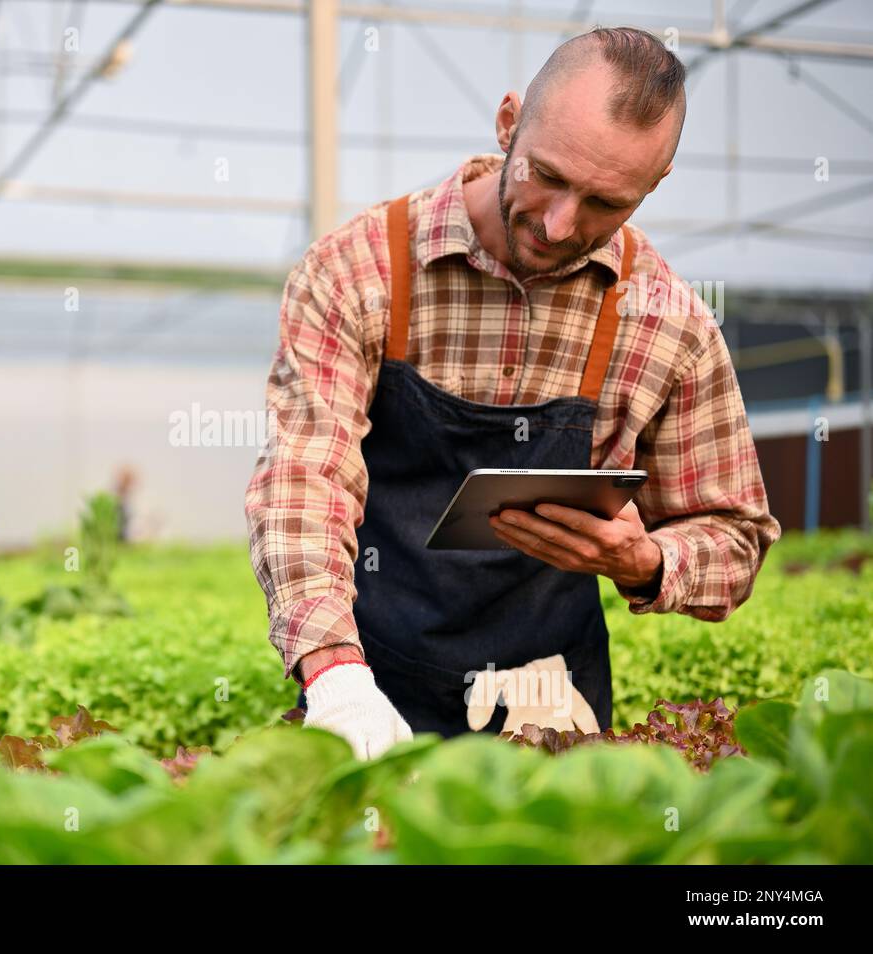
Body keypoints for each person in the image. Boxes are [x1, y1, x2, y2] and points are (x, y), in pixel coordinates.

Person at [244, 26, 782, 761]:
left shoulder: (668, 326)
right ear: (507, 124)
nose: (562, 224)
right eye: (548, 176)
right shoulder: (358, 272)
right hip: (371, 683)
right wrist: (334, 674)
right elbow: (306, 478)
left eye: (604, 203)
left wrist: (648, 561)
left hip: (553, 701)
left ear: (652, 188)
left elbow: (736, 535)